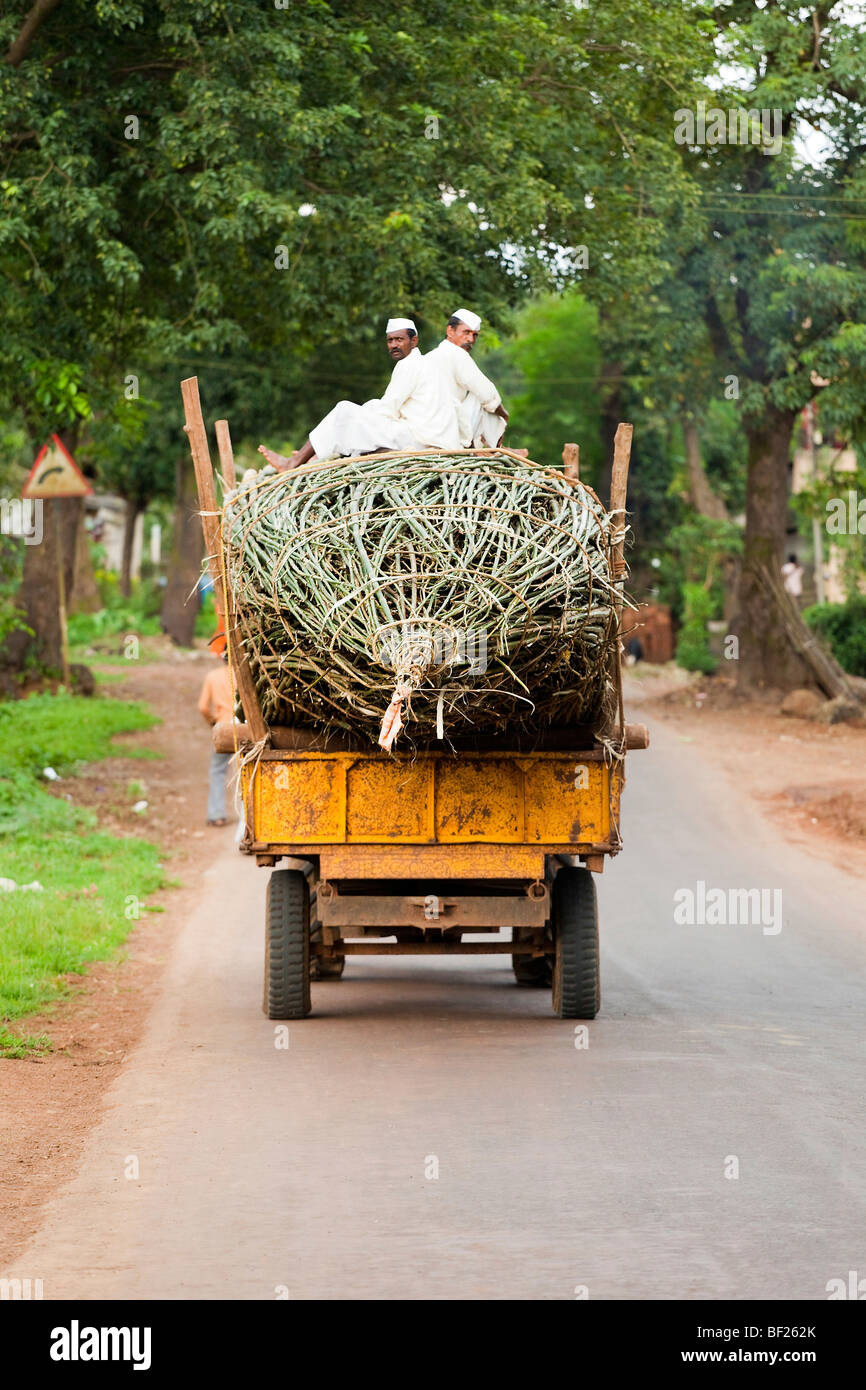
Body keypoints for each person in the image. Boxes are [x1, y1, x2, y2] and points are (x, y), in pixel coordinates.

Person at [258, 318, 426, 470]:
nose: (394, 345)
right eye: (390, 340)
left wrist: (361, 416)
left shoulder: (410, 364)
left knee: (344, 411)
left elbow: (388, 408)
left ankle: (293, 463)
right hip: (410, 434)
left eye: (399, 339)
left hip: (411, 438)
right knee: (358, 417)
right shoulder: (413, 362)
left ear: (414, 341)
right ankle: (315, 454)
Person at [418, 308, 509, 448]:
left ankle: (488, 447)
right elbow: (486, 393)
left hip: (425, 433)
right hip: (448, 432)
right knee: (481, 398)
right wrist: (504, 415)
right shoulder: (457, 353)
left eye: (475, 335)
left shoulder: (427, 357)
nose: (470, 339)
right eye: (466, 332)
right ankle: (497, 449)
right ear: (450, 331)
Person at [198, 652, 235, 827]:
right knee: (247, 772)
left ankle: (217, 814)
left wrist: (213, 720)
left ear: (222, 658)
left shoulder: (212, 676)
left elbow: (203, 707)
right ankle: (250, 818)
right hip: (244, 728)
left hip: (222, 729)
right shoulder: (245, 674)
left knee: (218, 771)